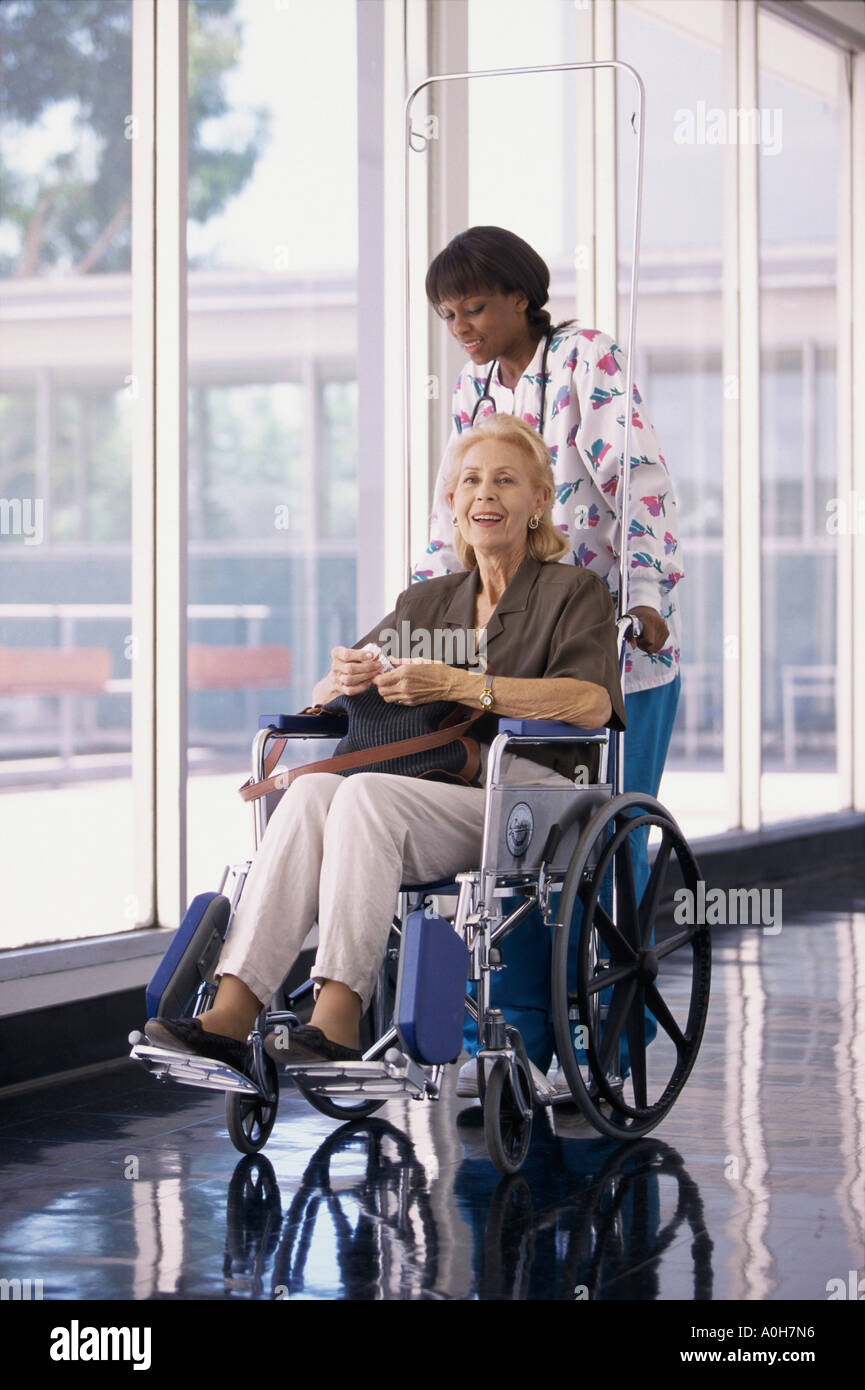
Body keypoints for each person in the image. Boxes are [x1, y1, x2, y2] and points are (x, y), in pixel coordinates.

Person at [144, 415, 625, 1074]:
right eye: (469, 481)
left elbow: (589, 701)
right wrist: (340, 676)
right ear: (452, 504)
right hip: (416, 801)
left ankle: (337, 1015)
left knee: (364, 794)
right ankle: (232, 1009)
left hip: (519, 802)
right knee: (313, 788)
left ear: (538, 501)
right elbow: (330, 690)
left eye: (505, 481)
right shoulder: (427, 602)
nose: (484, 494)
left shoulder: (573, 593)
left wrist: (464, 683)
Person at [416, 226, 682, 1083]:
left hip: (606, 651)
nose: (461, 325)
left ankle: (610, 1036)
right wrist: (422, 621)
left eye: (475, 308)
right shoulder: (471, 387)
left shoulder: (583, 360)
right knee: (515, 845)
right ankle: (518, 1041)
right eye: (448, 314)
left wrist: (647, 599)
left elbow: (638, 486)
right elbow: (454, 509)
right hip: (509, 653)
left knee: (602, 851)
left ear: (522, 299)